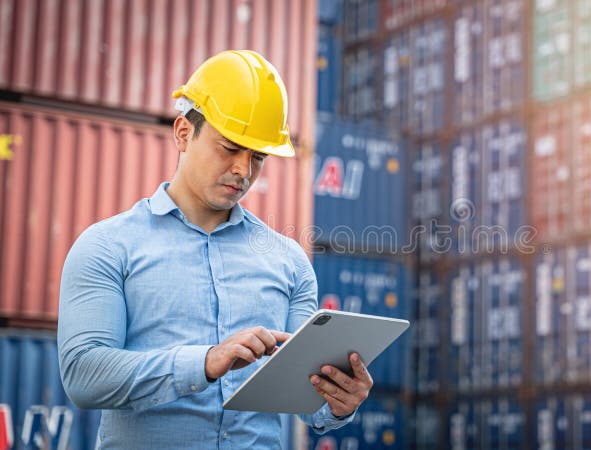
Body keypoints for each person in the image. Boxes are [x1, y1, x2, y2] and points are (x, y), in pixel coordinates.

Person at [57, 50, 372, 449]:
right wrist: (203, 363)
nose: (244, 170)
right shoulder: (107, 247)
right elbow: (84, 376)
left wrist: (341, 401)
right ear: (183, 133)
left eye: (257, 157)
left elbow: (309, 400)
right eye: (229, 148)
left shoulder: (289, 262)